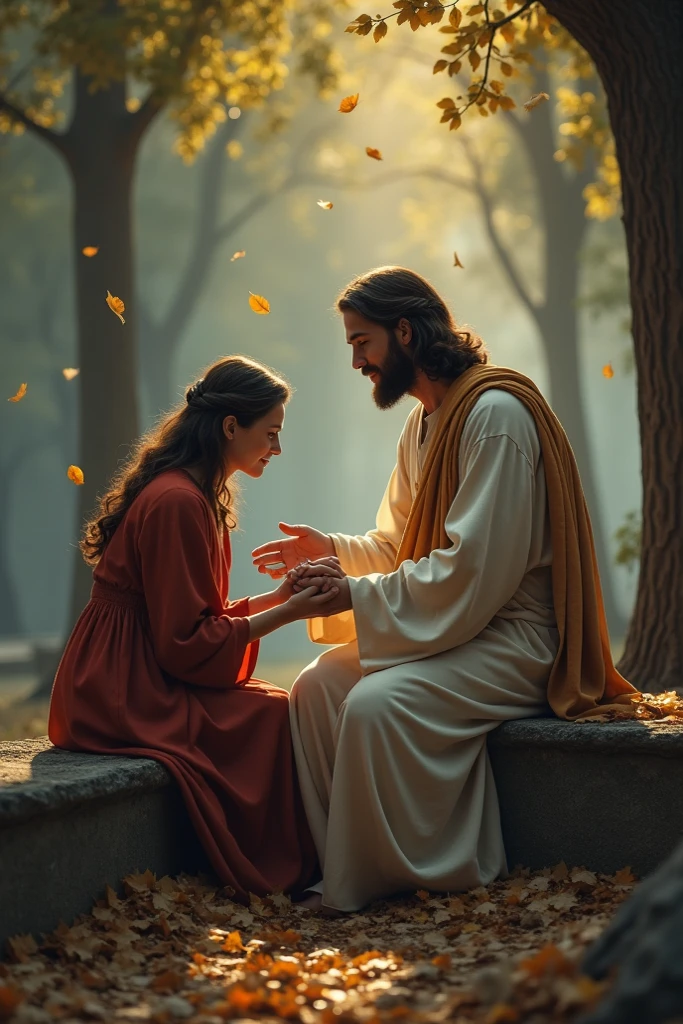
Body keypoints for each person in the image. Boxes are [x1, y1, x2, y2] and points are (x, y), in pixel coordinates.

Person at [252, 266, 637, 914]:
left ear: (403, 331)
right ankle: (340, 867)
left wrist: (356, 596)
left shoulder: (494, 417)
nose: (356, 362)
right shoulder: (424, 424)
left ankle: (386, 882)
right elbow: (400, 547)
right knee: (317, 689)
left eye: (361, 342)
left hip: (518, 640)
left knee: (375, 705)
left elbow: (471, 572)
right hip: (458, 624)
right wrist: (333, 553)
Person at [49, 355, 341, 903]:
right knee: (270, 708)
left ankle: (304, 863)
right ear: (231, 426)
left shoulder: (194, 494)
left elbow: (191, 619)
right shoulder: (179, 501)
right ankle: (286, 869)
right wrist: (290, 613)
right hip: (117, 687)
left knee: (271, 703)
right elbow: (184, 645)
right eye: (270, 434)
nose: (276, 450)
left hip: (136, 667)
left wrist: (277, 597)